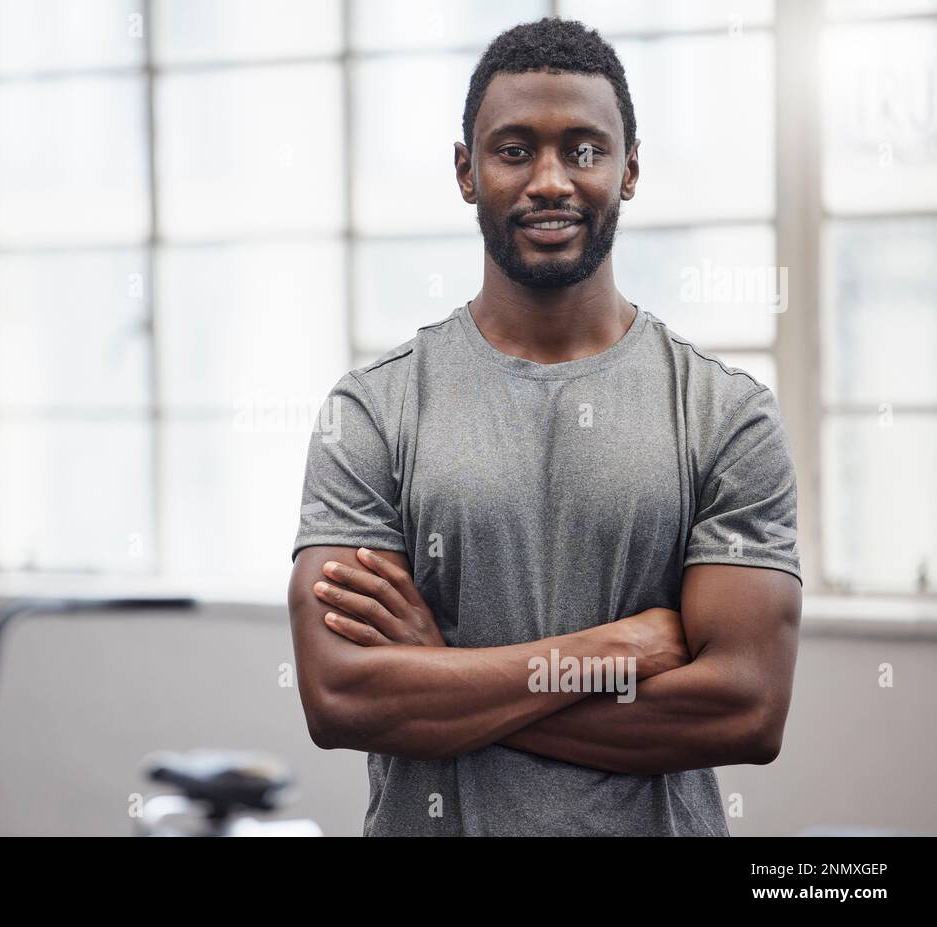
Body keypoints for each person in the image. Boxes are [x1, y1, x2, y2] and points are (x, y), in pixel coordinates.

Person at [287, 17, 802, 837]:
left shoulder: (726, 414)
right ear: (466, 170)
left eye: (586, 150)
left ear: (630, 169)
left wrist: (441, 673)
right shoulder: (372, 413)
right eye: (515, 149)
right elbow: (341, 696)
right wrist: (614, 653)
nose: (553, 181)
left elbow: (746, 710)